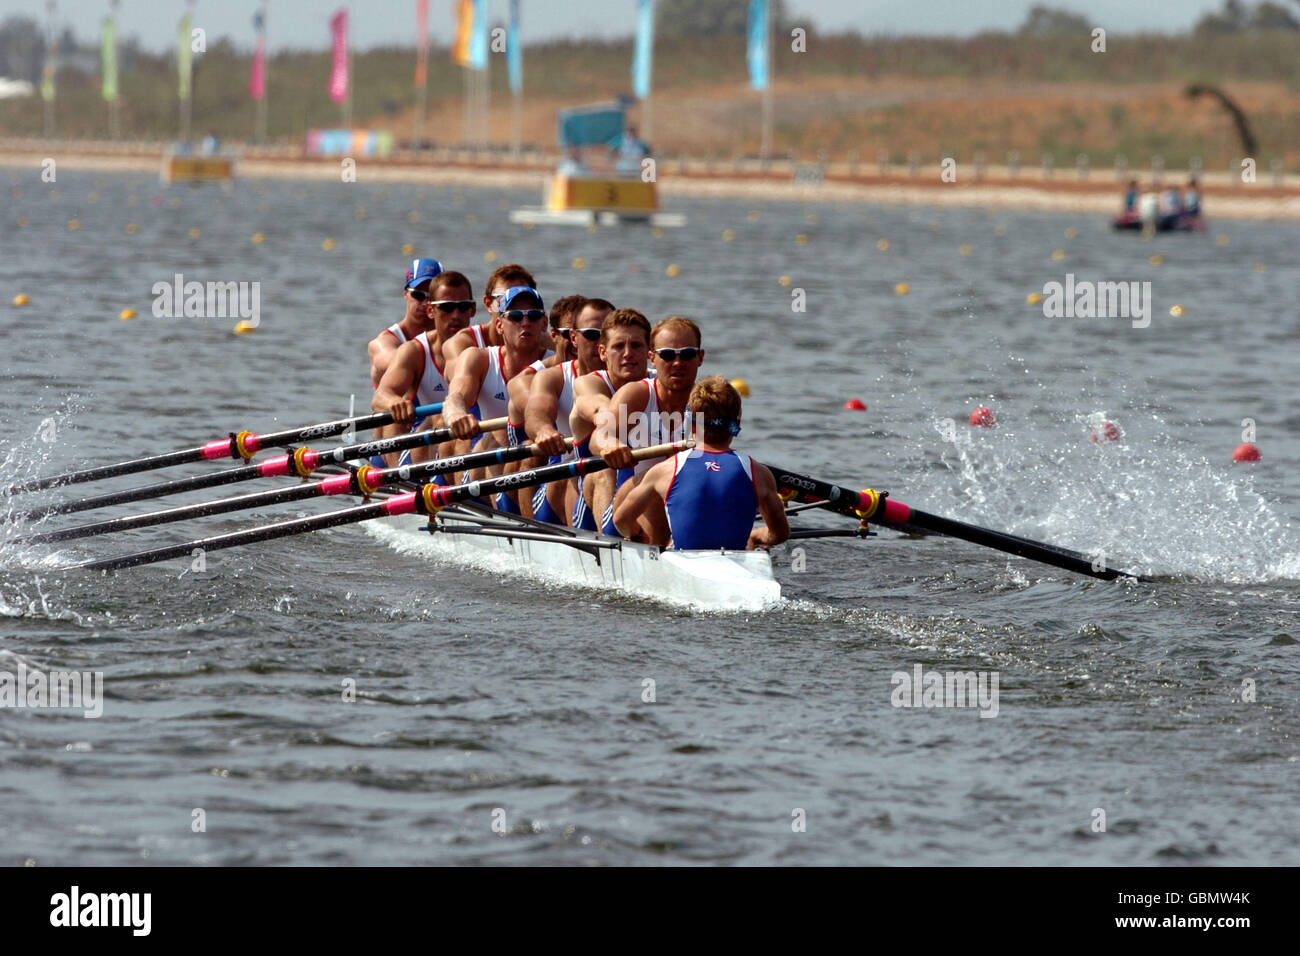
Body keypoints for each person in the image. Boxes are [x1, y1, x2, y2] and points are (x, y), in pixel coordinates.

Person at [614, 376, 789, 551]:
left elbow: (621, 519)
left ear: (690, 422)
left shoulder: (666, 470)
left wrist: (639, 538)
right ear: (737, 423)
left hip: (682, 564)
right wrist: (756, 535)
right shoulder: (759, 473)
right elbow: (780, 534)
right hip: (736, 566)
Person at [590, 316, 704, 541]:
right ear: (653, 358)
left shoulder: (708, 401)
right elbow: (598, 437)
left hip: (686, 501)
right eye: (668, 355)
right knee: (657, 485)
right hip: (630, 511)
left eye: (687, 354)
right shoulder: (638, 395)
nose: (678, 363)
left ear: (700, 357)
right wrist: (611, 444)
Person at [441, 286, 551, 511]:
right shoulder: (478, 359)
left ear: (544, 324)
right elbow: (457, 396)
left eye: (533, 316)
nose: (525, 322)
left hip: (541, 457)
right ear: (500, 325)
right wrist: (456, 414)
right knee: (493, 437)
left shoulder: (557, 365)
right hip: (488, 460)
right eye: (516, 317)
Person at [522, 298, 615, 524]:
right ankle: (531, 529)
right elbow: (535, 415)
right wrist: (543, 430)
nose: (599, 342)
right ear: (574, 338)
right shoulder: (552, 377)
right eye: (592, 335)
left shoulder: (636, 380)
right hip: (562, 482)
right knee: (532, 454)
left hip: (616, 475)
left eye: (606, 335)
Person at [370, 271, 476, 466]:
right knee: (395, 417)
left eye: (463, 308)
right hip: (418, 441)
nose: (456, 315)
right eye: (446, 308)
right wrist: (394, 402)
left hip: (461, 439)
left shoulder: (482, 348)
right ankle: (399, 481)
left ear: (473, 309)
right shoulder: (414, 351)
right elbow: (380, 397)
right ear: (430, 310)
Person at [568, 308, 654, 532]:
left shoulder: (663, 384)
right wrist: (609, 441)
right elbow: (599, 407)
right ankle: (613, 543)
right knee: (603, 471)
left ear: (649, 351)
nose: (628, 353)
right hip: (592, 508)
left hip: (648, 497)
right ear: (603, 352)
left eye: (636, 346)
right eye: (618, 346)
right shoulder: (589, 384)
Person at [442, 263, 538, 376]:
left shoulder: (545, 343)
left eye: (521, 301)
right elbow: (459, 379)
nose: (511, 308)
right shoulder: (462, 343)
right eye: (502, 299)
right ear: (488, 304)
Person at [367, 258, 442, 387]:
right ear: (406, 294)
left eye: (431, 297)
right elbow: (395, 363)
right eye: (418, 295)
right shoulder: (384, 343)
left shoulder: (455, 339)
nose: (425, 303)